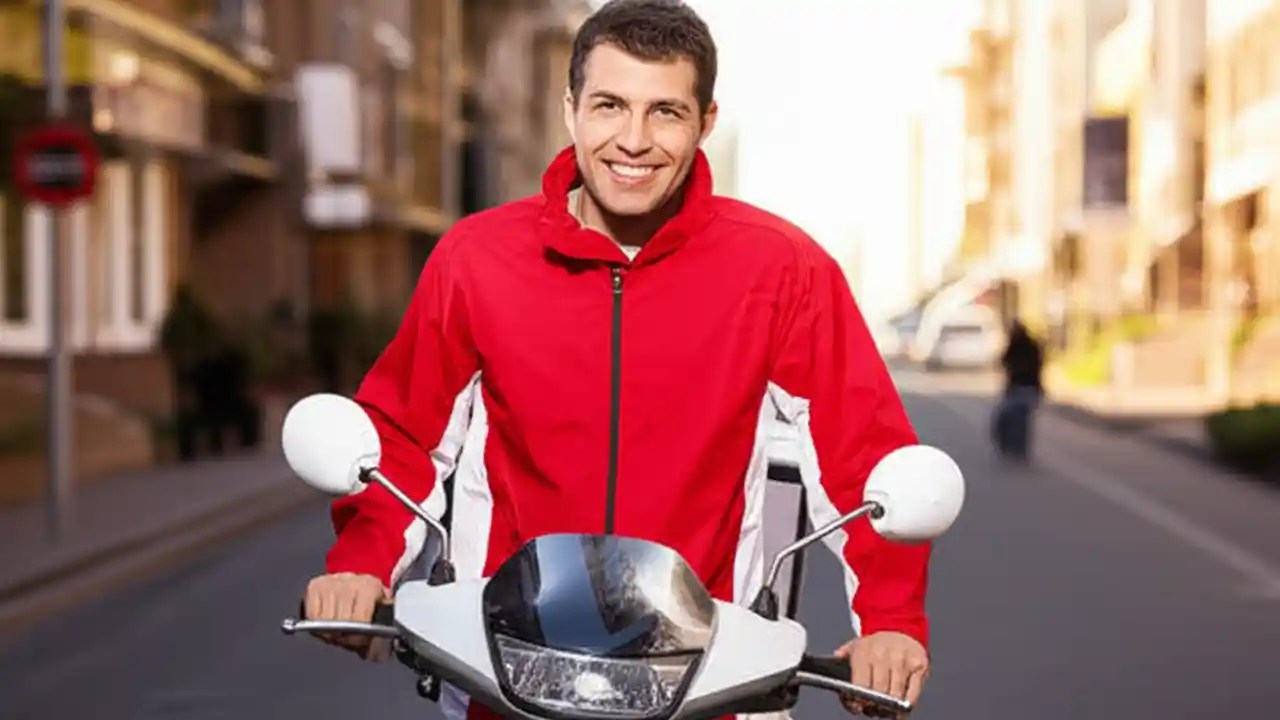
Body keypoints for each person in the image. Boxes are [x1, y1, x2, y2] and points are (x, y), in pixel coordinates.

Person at [303, 0, 936, 716]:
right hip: (507, 680)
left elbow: (865, 458)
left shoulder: (783, 270)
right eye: (609, 105)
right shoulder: (476, 260)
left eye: (665, 112)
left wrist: (890, 625)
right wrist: (360, 564)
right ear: (571, 109)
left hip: (707, 687)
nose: (633, 140)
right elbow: (403, 435)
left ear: (705, 122)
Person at [994, 319, 1044, 459]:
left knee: (1005, 418)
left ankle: (1010, 447)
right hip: (1029, 388)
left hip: (1019, 387)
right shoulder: (1032, 346)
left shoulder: (1016, 346)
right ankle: (1019, 449)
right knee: (1023, 421)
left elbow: (1004, 361)